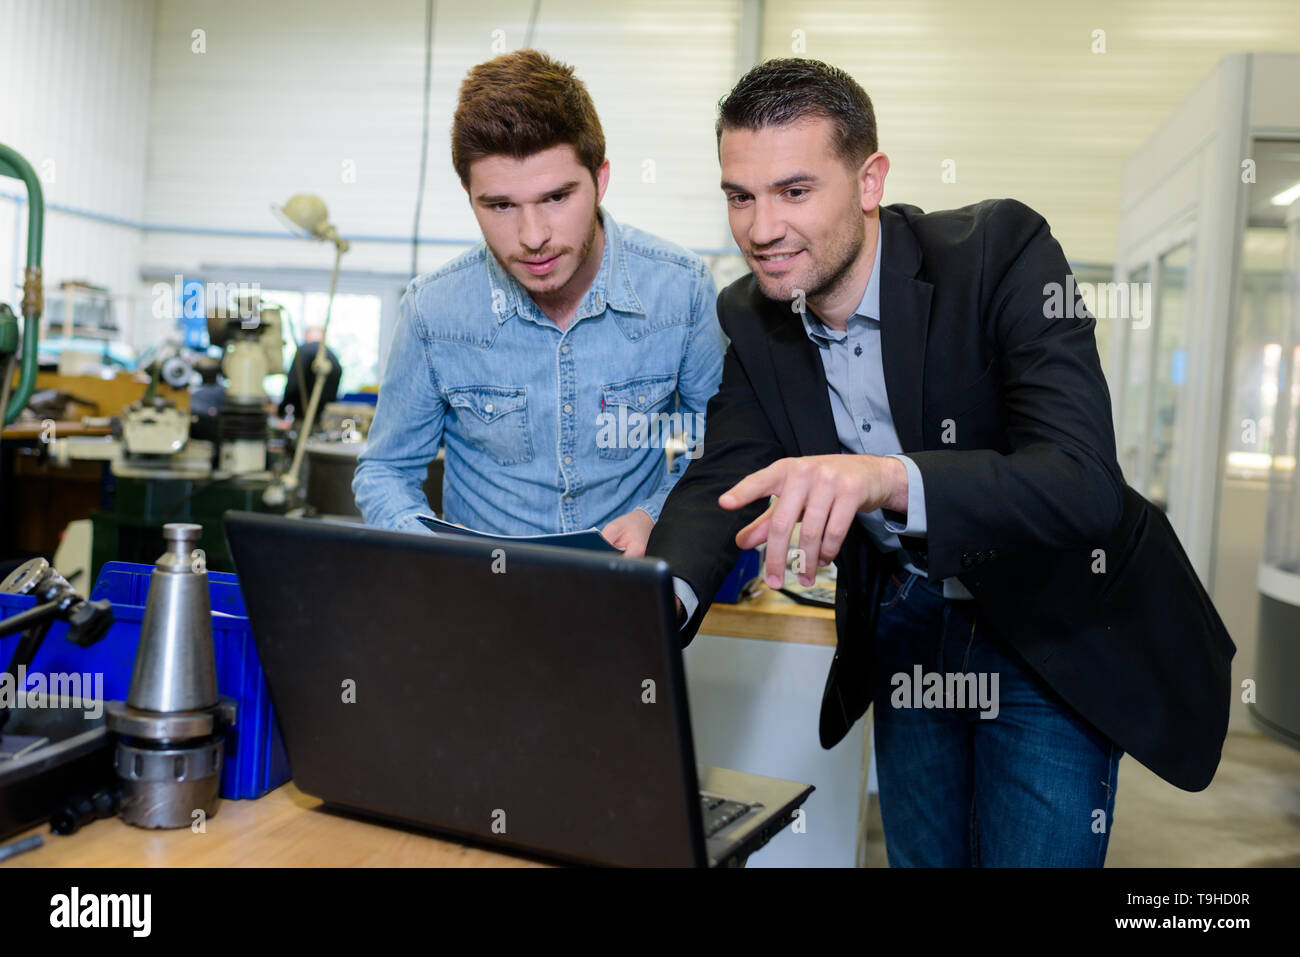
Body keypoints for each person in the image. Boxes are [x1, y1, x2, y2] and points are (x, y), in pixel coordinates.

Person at [646, 58, 1234, 867]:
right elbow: (725, 472)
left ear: (869, 180)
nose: (761, 227)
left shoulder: (1000, 252)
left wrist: (888, 477)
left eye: (794, 190)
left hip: (1045, 625)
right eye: (739, 196)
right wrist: (653, 601)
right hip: (909, 626)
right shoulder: (752, 312)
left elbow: (1082, 478)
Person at [353, 50, 724, 555]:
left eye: (556, 198)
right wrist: (435, 557)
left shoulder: (681, 291)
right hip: (479, 609)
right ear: (468, 194)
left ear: (601, 180)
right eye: (501, 205)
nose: (533, 238)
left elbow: (713, 452)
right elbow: (385, 470)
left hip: (622, 601)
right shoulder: (431, 311)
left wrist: (652, 516)